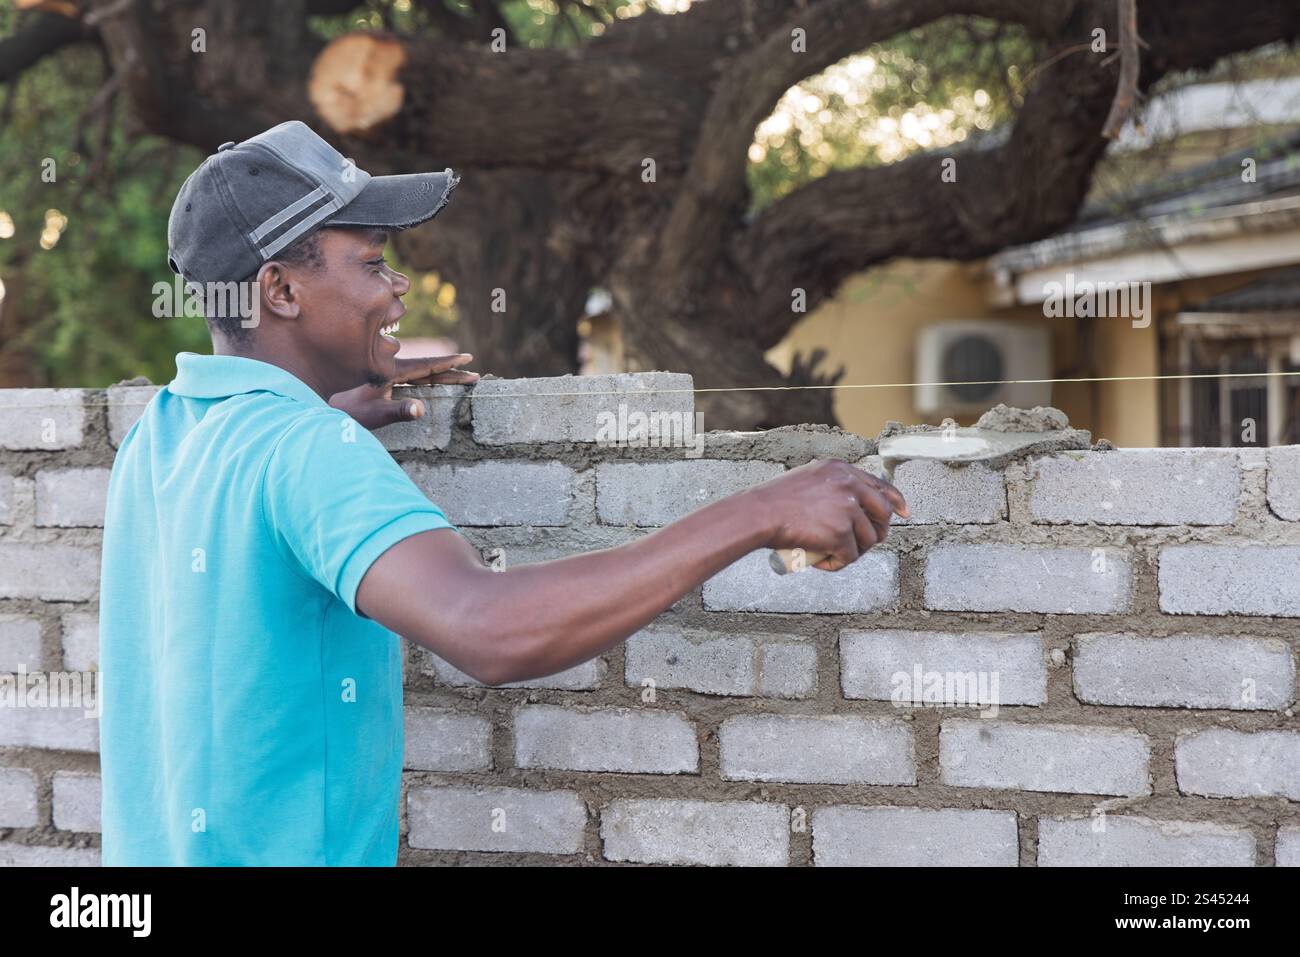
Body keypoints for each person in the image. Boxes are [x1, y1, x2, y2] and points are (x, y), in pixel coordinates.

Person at [98, 120, 908, 867]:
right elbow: (489, 631)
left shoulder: (165, 433)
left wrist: (328, 408)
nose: (397, 290)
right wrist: (756, 511)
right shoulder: (308, 452)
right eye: (373, 262)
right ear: (279, 291)